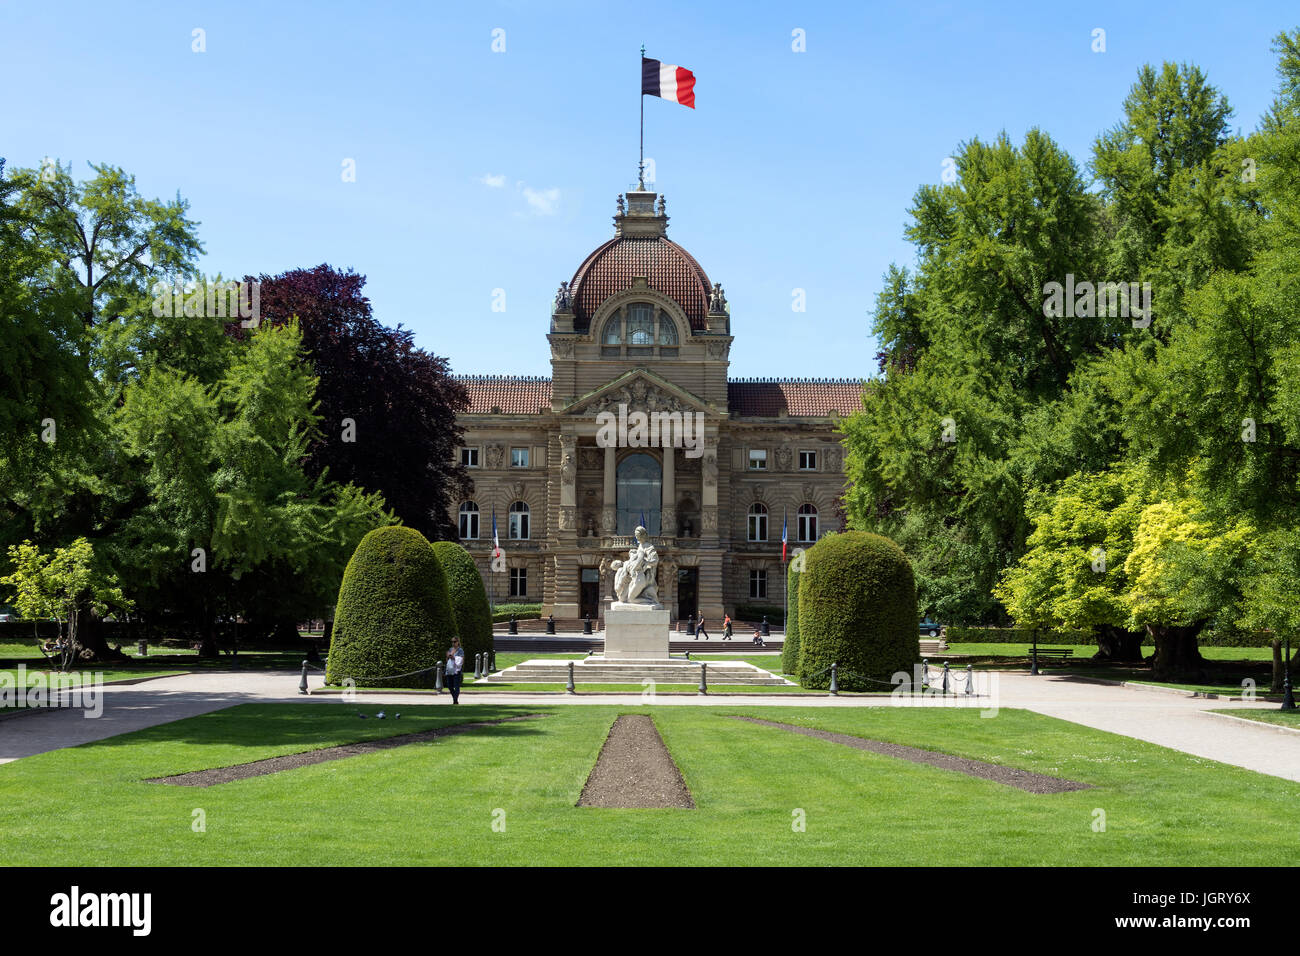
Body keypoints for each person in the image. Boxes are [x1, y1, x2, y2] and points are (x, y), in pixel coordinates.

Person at [446, 637, 465, 704]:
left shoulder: (460, 650)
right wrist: (448, 656)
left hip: (456, 671)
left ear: (458, 642)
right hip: (449, 670)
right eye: (452, 642)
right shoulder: (450, 649)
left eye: (454, 642)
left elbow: (461, 660)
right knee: (449, 685)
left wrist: (453, 657)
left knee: (456, 686)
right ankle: (455, 698)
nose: (453, 643)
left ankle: (455, 700)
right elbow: (447, 659)